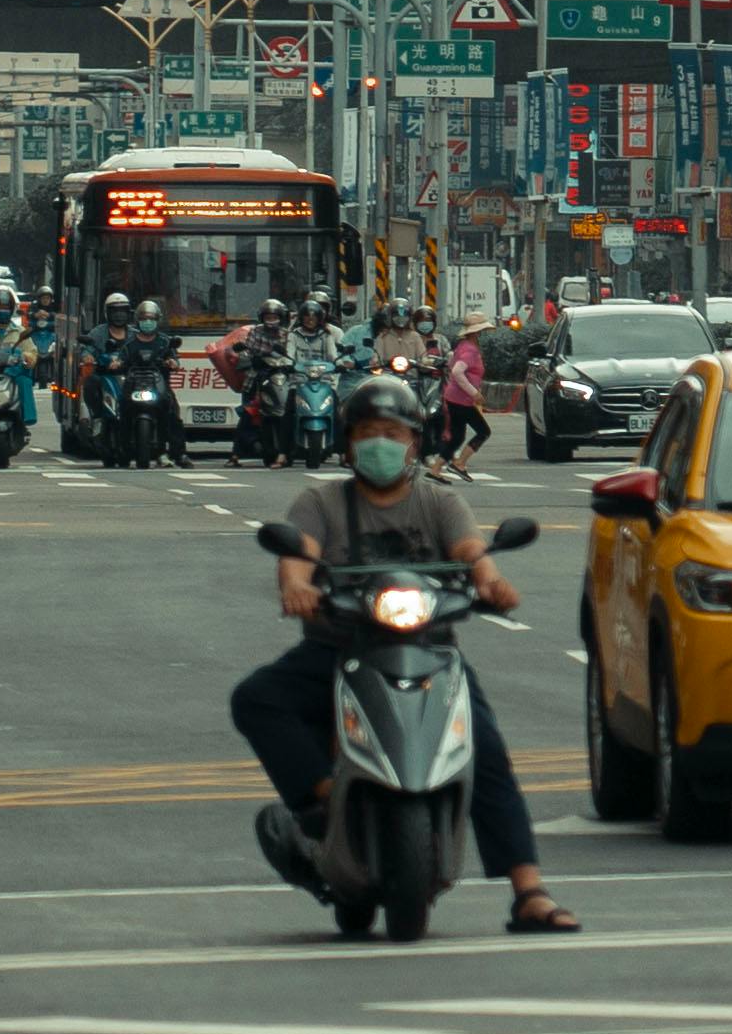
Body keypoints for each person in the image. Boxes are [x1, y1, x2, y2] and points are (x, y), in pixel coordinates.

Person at [232, 375, 575, 933]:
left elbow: (471, 551)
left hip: (430, 653)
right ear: (348, 443)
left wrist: (491, 579)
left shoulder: (439, 500)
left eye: (394, 433)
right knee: (255, 698)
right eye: (369, 433)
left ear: (415, 442)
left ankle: (528, 890)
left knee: (483, 751)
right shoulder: (322, 501)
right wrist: (296, 584)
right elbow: (299, 552)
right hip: (339, 651)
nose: (381, 444)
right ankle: (322, 796)